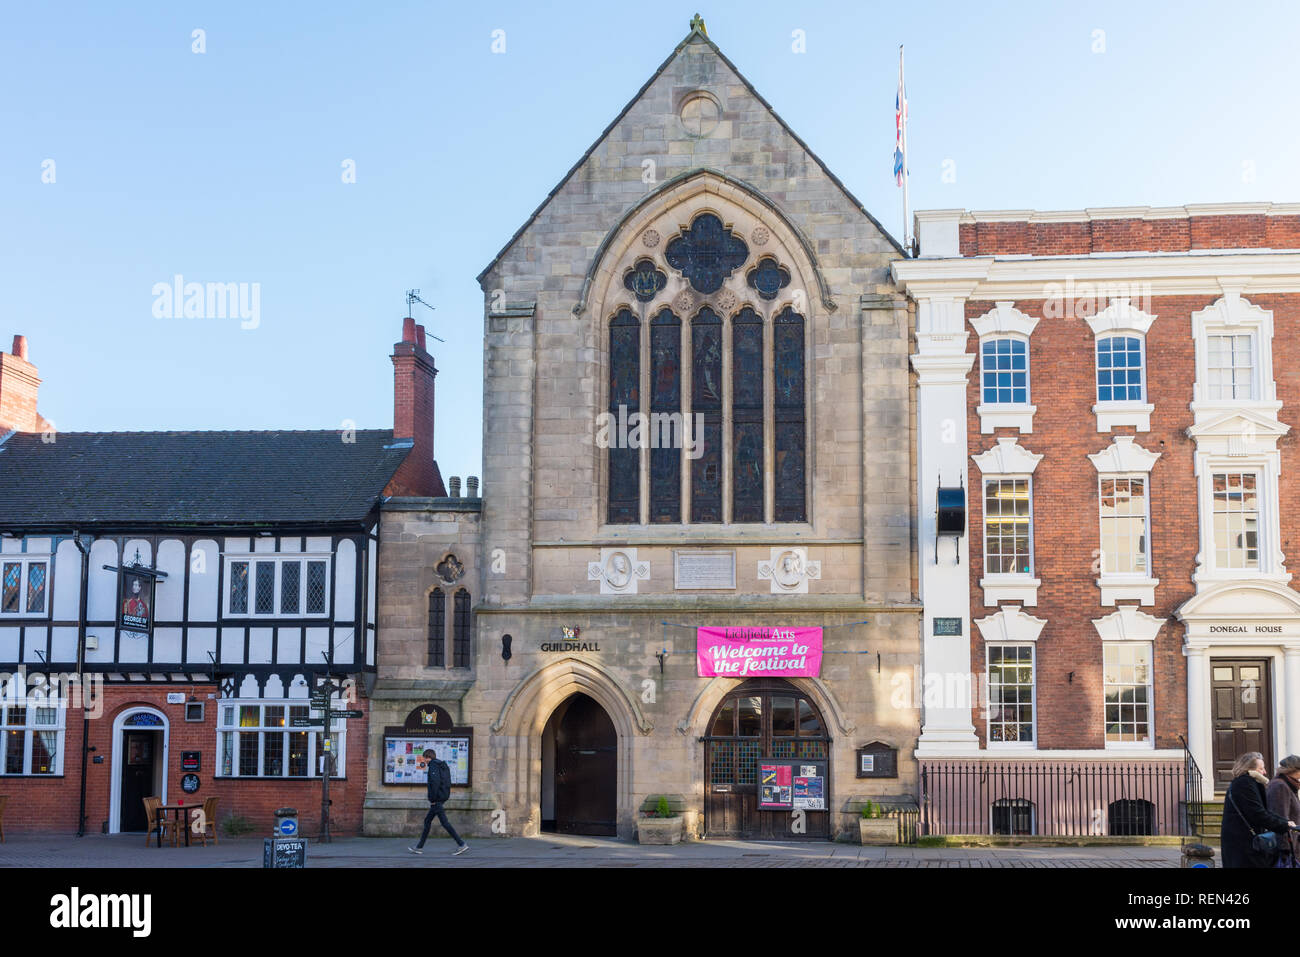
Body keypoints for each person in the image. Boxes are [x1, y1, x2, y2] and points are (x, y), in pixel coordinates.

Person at [1221, 751, 1294, 868]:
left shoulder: (1246, 783)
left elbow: (1261, 811)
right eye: (1261, 769)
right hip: (1244, 846)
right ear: (1250, 769)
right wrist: (1284, 825)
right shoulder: (1244, 783)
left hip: (1244, 844)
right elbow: (1258, 814)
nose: (1265, 772)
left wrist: (1284, 823)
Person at [408, 749, 468, 856]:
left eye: (425, 758)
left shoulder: (433, 766)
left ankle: (461, 844)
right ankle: (419, 847)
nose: (425, 761)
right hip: (440, 798)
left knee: (444, 823)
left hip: (437, 800)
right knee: (427, 821)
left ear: (428, 757)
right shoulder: (440, 764)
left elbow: (435, 783)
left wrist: (433, 800)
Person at [1267, 754, 1300, 867]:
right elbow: (1280, 817)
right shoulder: (1280, 786)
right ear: (1295, 770)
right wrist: (1286, 850)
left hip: (1293, 846)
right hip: (1287, 850)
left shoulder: (1289, 785)